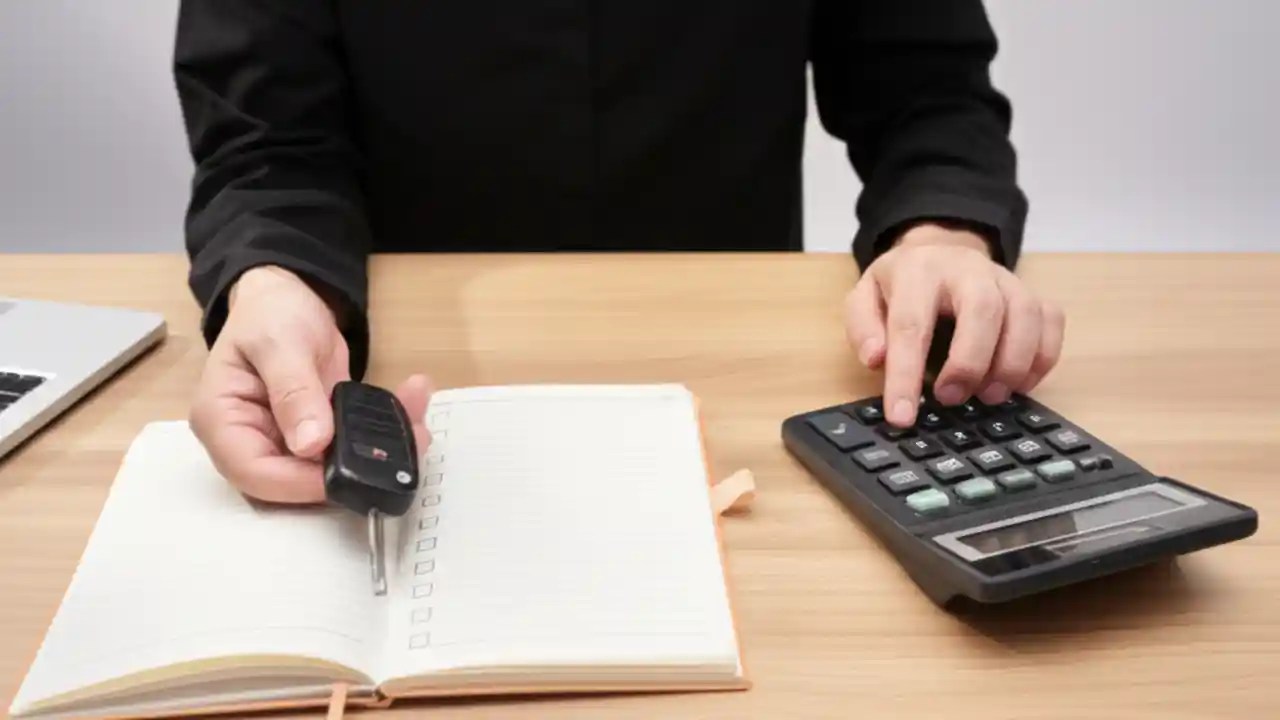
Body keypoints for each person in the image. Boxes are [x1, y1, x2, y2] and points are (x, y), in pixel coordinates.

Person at [174, 0, 1063, 504]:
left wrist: (941, 231)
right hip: (415, 395)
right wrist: (271, 280)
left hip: (740, 406)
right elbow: (268, 140)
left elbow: (928, 94)